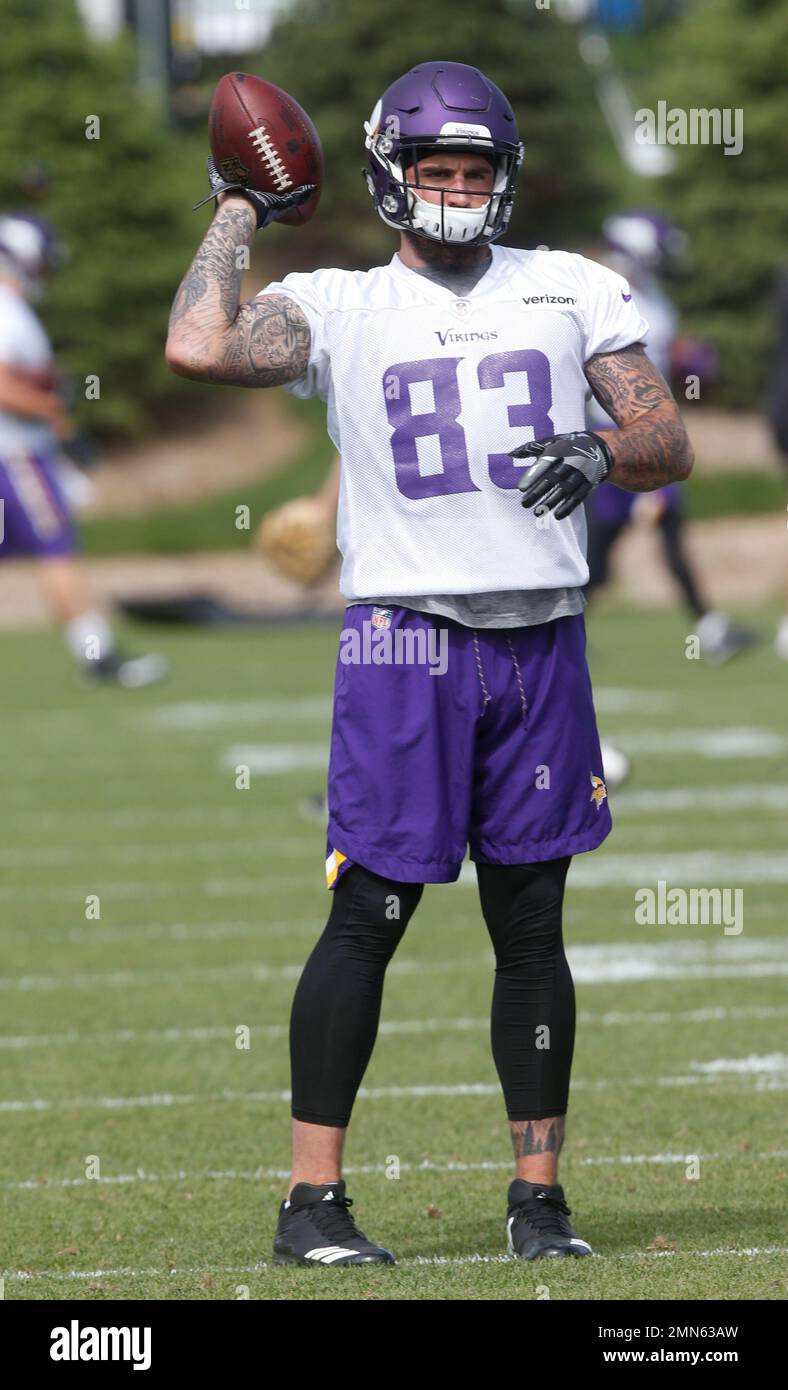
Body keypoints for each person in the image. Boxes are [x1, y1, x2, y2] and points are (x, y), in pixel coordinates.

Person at [166, 60, 692, 1265]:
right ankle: (311, 1205)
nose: (453, 190)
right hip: (406, 642)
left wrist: (607, 450)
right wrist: (240, 201)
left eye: (473, 170)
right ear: (390, 176)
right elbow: (195, 345)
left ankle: (538, 1201)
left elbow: (666, 435)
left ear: (502, 179)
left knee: (532, 927)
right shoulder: (342, 303)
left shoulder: (569, 287)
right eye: (432, 170)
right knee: (369, 914)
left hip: (540, 641)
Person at [0, 212, 167, 687]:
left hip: (18, 451)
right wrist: (50, 408)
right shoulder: (7, 311)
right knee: (57, 549)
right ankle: (97, 657)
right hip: (14, 454)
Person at [585, 209, 755, 665]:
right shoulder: (598, 295)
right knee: (597, 554)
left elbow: (662, 363)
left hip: (647, 433)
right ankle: (559, 633)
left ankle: (708, 627)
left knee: (664, 536)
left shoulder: (654, 298)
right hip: (610, 437)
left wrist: (687, 361)